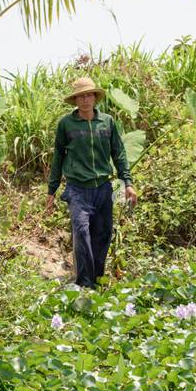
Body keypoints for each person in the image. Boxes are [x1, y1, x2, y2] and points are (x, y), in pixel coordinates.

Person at [46, 77, 139, 289]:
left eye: (89, 95)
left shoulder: (107, 122)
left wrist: (128, 182)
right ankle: (84, 284)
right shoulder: (66, 125)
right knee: (81, 233)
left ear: (95, 97)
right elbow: (58, 157)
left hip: (103, 188)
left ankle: (97, 280)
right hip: (77, 189)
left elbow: (119, 153)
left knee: (103, 234)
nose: (85, 99)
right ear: (75, 100)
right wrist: (51, 190)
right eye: (81, 96)